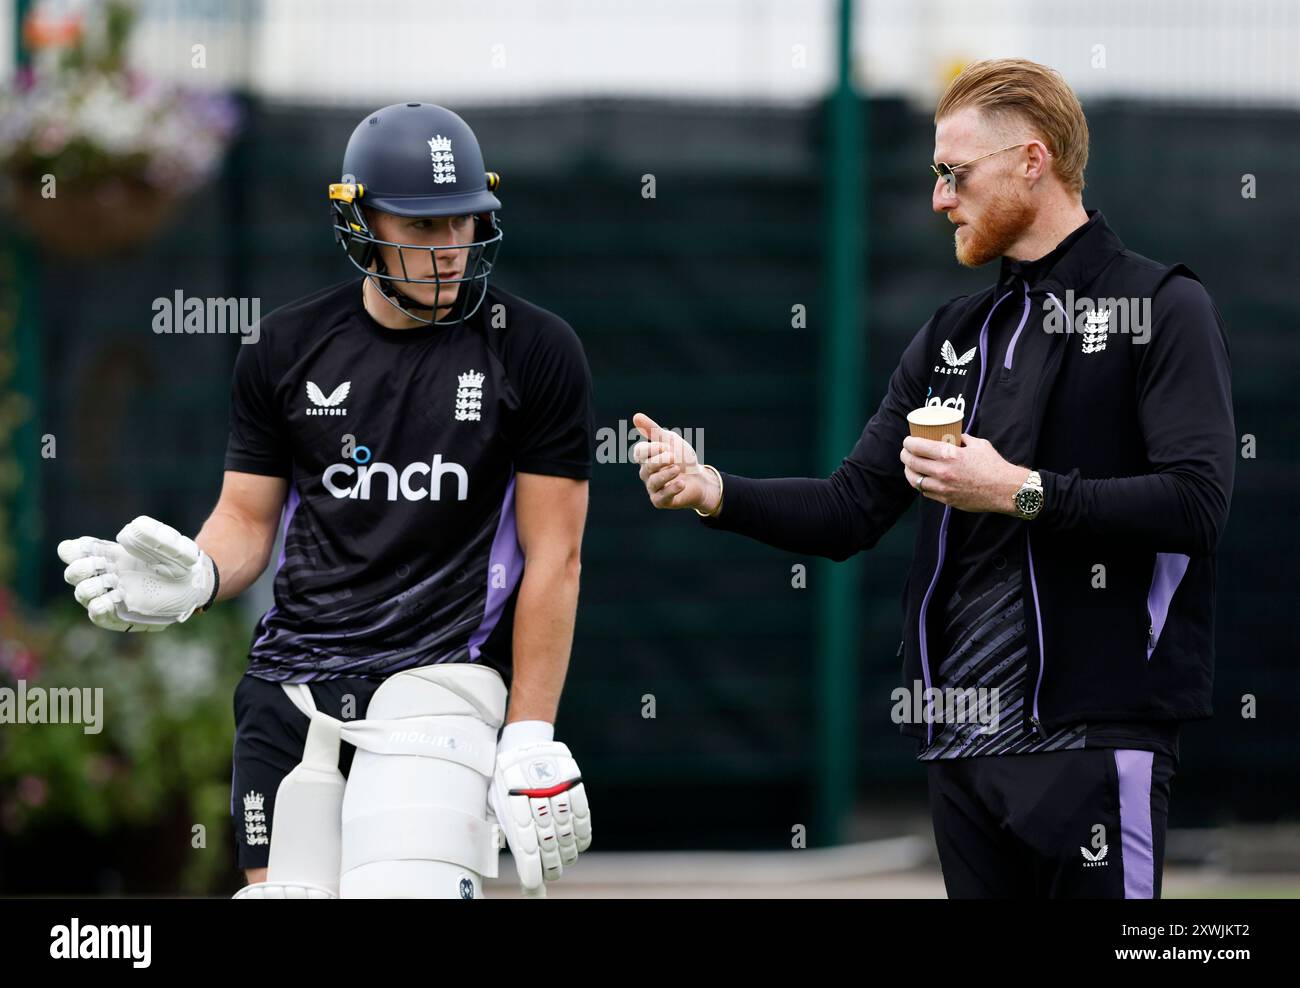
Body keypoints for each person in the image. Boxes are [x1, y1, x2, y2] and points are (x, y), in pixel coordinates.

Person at [631, 58, 1235, 898]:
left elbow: (1197, 504)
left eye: (954, 174)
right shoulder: (953, 335)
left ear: (1033, 160)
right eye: (933, 175)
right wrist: (713, 491)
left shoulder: (1162, 306)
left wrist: (1018, 489)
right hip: (961, 751)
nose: (938, 199)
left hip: (1095, 743)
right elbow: (849, 510)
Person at [57, 101, 594, 898]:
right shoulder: (282, 347)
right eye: (421, 228)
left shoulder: (537, 349)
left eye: (463, 225)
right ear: (358, 222)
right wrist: (201, 574)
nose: (449, 252)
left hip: (441, 686)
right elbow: (246, 517)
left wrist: (529, 729)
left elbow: (556, 556)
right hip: (288, 690)